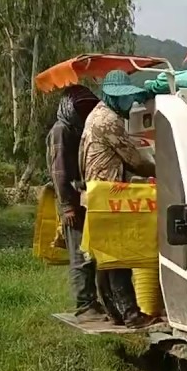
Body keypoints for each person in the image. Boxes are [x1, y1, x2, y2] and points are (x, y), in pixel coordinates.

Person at [78, 69, 159, 329]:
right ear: (112, 97)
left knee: (105, 256)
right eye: (125, 99)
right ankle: (132, 314)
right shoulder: (109, 120)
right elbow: (134, 159)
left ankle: (115, 312)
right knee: (119, 256)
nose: (129, 104)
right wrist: (165, 167)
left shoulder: (94, 116)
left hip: (96, 191)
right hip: (109, 193)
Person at [45, 84, 105, 320]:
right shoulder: (62, 131)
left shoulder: (76, 130)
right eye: (81, 109)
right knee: (80, 255)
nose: (85, 113)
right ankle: (85, 305)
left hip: (83, 198)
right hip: (72, 200)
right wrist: (67, 206)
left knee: (90, 253)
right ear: (68, 108)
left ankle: (92, 302)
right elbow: (59, 172)